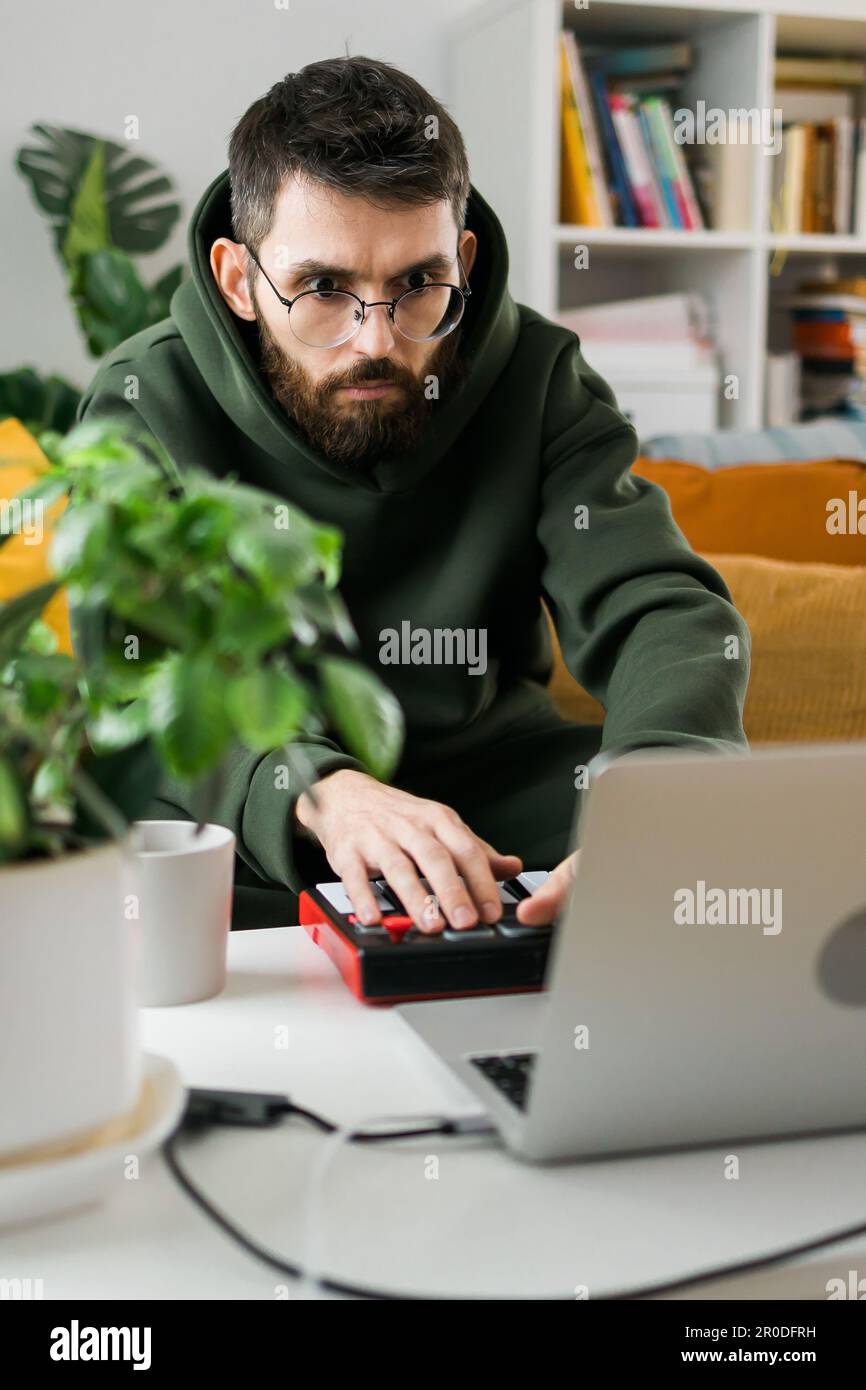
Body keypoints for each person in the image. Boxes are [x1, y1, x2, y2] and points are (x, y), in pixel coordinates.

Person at [78, 56, 750, 932]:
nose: (377, 342)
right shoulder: (144, 397)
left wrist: (659, 792)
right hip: (257, 816)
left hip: (494, 803)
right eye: (323, 288)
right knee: (153, 877)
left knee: (701, 847)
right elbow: (139, 675)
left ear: (462, 259)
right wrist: (321, 791)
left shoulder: (540, 377)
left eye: (417, 285)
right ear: (239, 279)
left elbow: (659, 603)